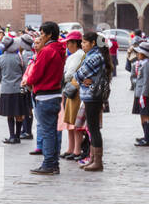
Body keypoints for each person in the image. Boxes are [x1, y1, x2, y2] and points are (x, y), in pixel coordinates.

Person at [26, 22, 67, 174]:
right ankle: (53, 162)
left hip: (45, 95)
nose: (40, 36)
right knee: (52, 131)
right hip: (55, 93)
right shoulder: (59, 49)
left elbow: (36, 73)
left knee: (48, 132)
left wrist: (28, 81)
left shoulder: (46, 51)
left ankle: (49, 163)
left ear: (49, 34)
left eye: (42, 33)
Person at [73, 30, 110, 171]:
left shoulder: (94, 57)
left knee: (94, 129)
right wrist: (84, 79)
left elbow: (79, 74)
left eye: (84, 42)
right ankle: (93, 158)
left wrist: (82, 78)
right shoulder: (93, 55)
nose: (82, 45)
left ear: (93, 43)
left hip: (93, 95)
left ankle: (97, 161)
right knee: (91, 127)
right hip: (90, 95)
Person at [0, 35, 27, 144]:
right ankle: (18, 136)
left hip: (6, 89)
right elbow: (25, 72)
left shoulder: (0, 58)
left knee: (9, 114)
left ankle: (12, 136)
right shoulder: (20, 57)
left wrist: (4, 81)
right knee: (19, 113)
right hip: (18, 88)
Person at [59, 31, 85, 162]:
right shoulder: (74, 55)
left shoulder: (78, 55)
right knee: (70, 121)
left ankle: (76, 149)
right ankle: (71, 148)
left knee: (75, 122)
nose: (67, 45)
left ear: (75, 43)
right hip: (70, 90)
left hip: (74, 90)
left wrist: (62, 80)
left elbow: (69, 74)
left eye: (68, 43)